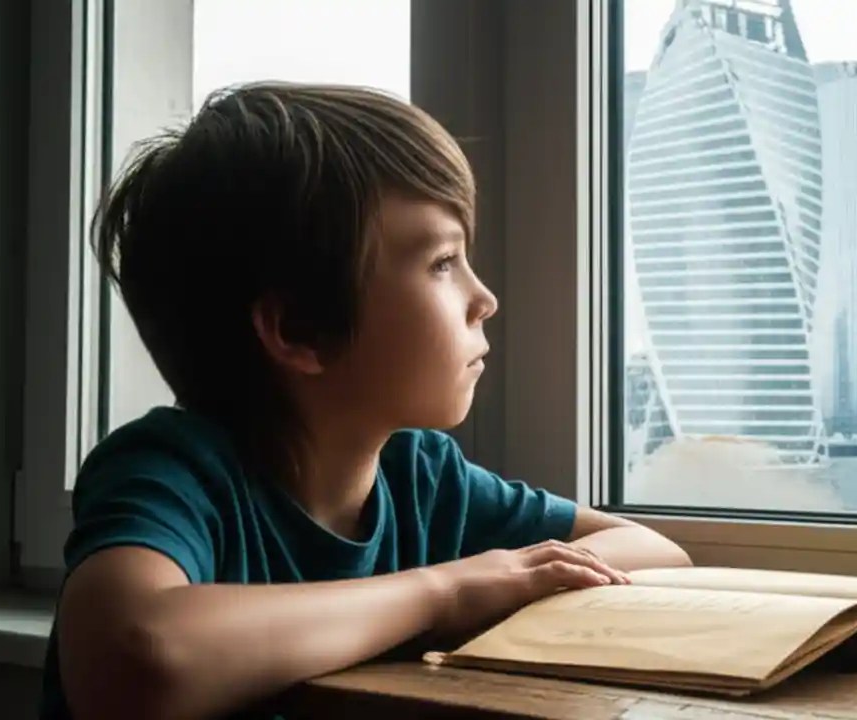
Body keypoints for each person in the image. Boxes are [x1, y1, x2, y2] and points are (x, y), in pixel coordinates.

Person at [41, 82, 691, 720]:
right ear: (300, 330)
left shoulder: (421, 475)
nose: (483, 298)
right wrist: (445, 592)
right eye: (442, 262)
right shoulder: (173, 471)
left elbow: (655, 553)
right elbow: (137, 661)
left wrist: (498, 582)